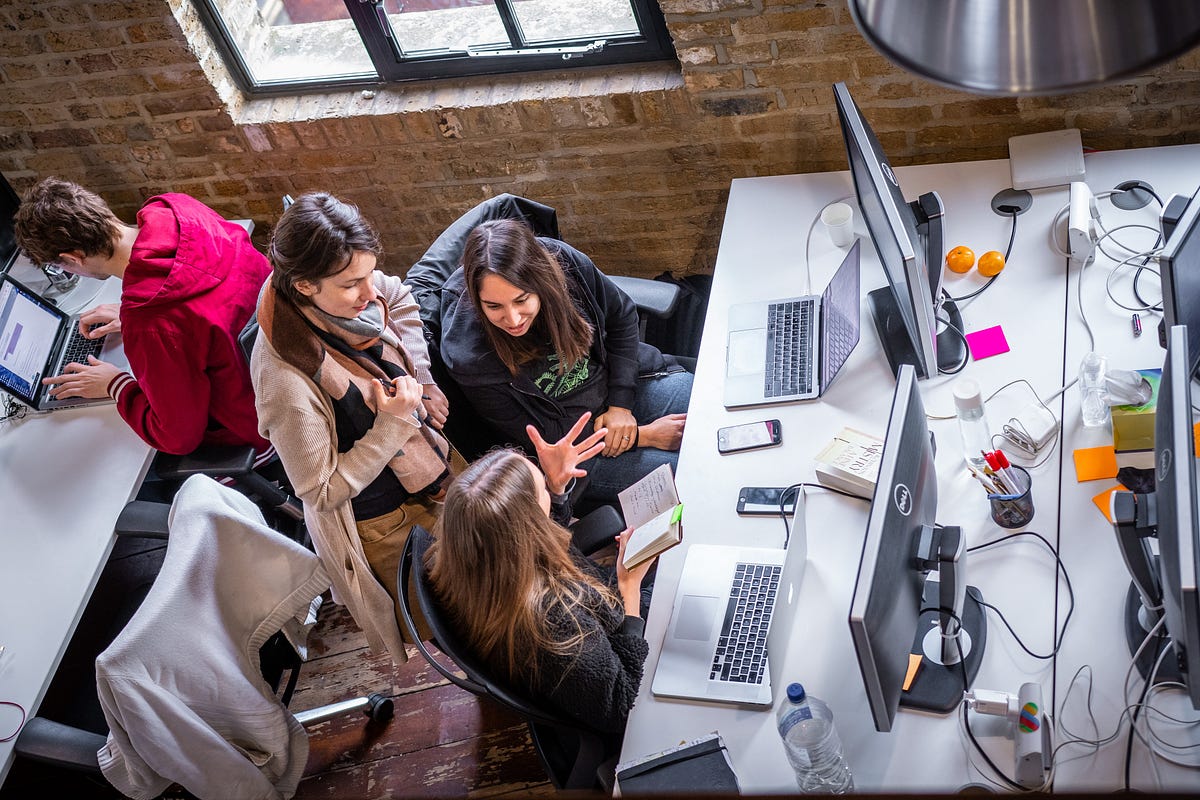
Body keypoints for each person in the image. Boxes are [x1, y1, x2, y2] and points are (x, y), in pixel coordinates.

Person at [250, 191, 456, 666]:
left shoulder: (346, 287)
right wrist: (392, 424)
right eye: (352, 285)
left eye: (368, 275)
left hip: (431, 469)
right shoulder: (283, 379)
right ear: (302, 286)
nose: (370, 294)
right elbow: (319, 492)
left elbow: (398, 295)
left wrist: (421, 381)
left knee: (484, 591)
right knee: (451, 620)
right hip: (386, 523)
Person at [426, 411, 656, 735]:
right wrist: (629, 585)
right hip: (630, 663)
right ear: (529, 529)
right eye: (543, 490)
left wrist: (557, 492)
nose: (548, 490)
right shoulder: (553, 626)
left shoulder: (478, 562)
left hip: (605, 616)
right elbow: (622, 702)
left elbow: (540, 536)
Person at [437, 217, 692, 505]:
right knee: (691, 473)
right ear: (476, 298)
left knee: (717, 412)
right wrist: (641, 437)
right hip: (578, 447)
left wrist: (621, 404)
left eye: (522, 300)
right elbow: (546, 438)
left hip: (623, 386)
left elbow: (621, 317)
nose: (513, 319)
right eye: (494, 306)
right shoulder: (469, 357)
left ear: (540, 282)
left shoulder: (563, 263)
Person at [13, 177, 272, 457]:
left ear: (74, 258)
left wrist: (115, 384)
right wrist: (134, 313)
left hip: (259, 430)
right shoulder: (180, 209)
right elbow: (208, 299)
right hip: (288, 375)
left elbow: (178, 438)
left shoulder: (151, 322)